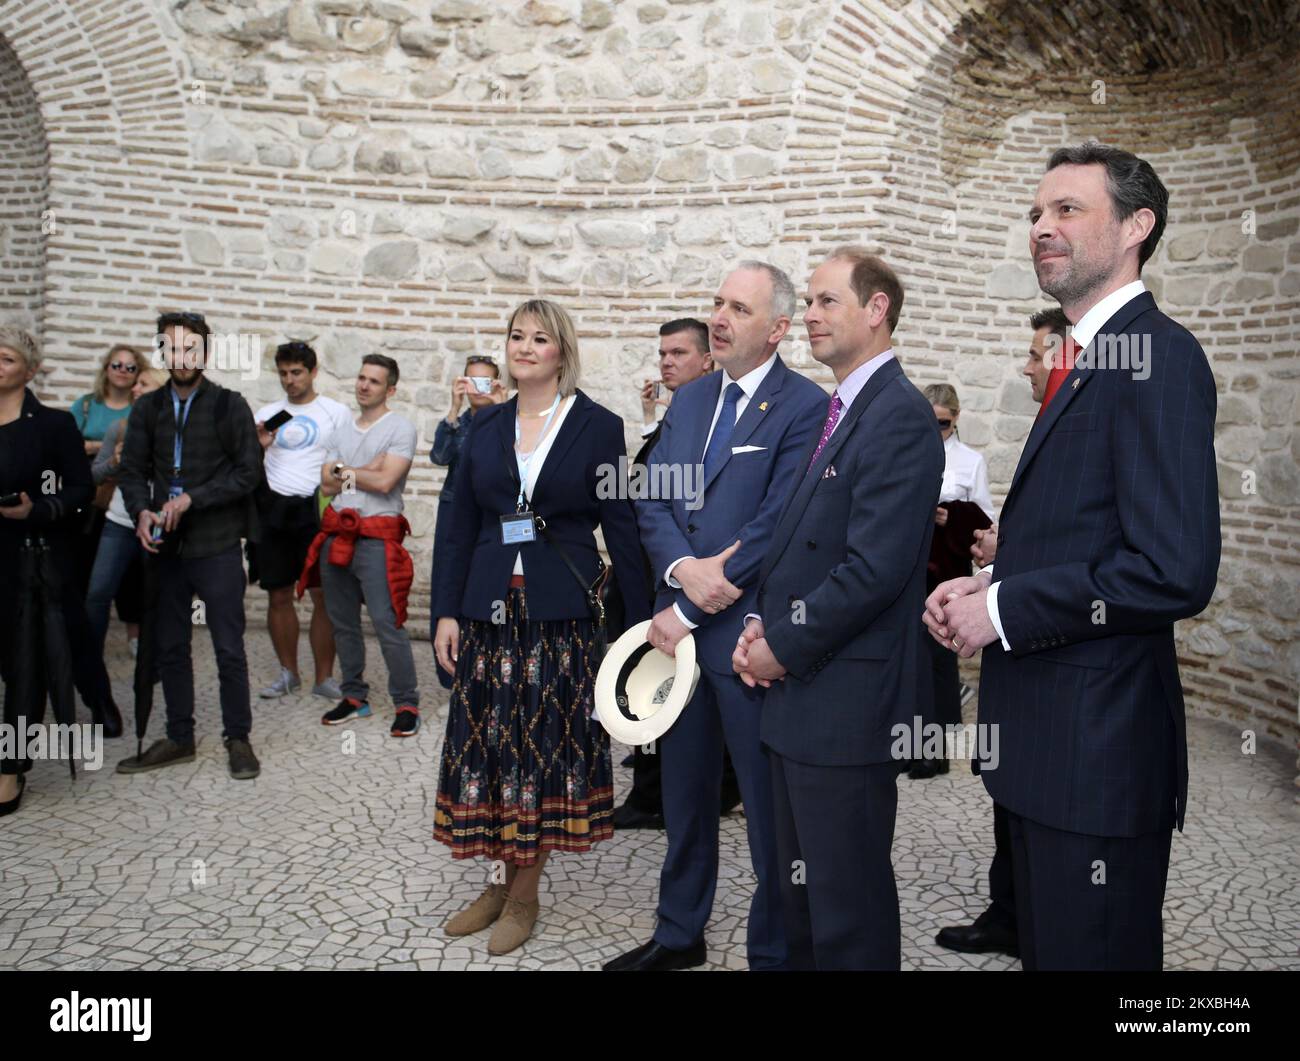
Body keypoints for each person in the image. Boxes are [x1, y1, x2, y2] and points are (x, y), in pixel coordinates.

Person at [924, 144, 1220, 970]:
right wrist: (987, 581)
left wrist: (1004, 609)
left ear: (1136, 226)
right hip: (1045, 747)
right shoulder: (1089, 358)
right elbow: (1089, 533)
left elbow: (1174, 568)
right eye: (1035, 213)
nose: (1041, 228)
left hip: (1096, 757)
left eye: (1067, 210)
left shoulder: (1157, 355)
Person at [605, 264, 828, 972]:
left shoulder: (805, 407)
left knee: (766, 811)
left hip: (748, 641)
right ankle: (679, 932)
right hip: (679, 632)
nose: (719, 317)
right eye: (717, 303)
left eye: (738, 306)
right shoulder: (692, 398)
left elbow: (779, 522)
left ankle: (774, 949)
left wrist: (698, 596)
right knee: (685, 794)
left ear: (779, 327)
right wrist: (680, 577)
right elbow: (654, 500)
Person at [734, 248, 944, 970]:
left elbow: (873, 570)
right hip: (801, 694)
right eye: (811, 304)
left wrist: (778, 646)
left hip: (846, 703)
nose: (812, 318)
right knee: (799, 899)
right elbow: (798, 544)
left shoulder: (900, 416)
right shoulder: (839, 409)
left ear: (877, 308)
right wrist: (762, 621)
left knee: (843, 906)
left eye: (827, 301)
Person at [432, 299, 650, 957]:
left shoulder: (598, 426)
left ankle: (524, 895)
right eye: (516, 336)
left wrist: (642, 631)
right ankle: (496, 883)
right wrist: (445, 609)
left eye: (540, 338)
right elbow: (458, 522)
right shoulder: (485, 426)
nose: (525, 346)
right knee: (493, 755)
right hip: (488, 613)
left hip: (560, 616)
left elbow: (621, 524)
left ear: (562, 351)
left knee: (542, 756)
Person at [935, 308, 1066, 960]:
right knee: (1005, 793)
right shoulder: (1056, 422)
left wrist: (999, 583)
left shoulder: (1086, 427)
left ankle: (1030, 919)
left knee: (1031, 802)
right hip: (1015, 646)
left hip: (1050, 656)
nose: (1027, 364)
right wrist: (996, 554)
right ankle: (1009, 911)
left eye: (1039, 352)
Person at [116, 311, 263, 781]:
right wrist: (141, 508)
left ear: (205, 351)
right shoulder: (147, 409)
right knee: (170, 646)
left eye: (190, 349)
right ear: (163, 351)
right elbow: (132, 470)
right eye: (173, 349)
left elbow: (247, 473)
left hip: (216, 542)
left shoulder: (229, 406)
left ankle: (237, 737)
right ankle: (179, 736)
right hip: (164, 545)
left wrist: (194, 498)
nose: (181, 358)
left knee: (228, 647)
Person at [613, 317, 742, 832]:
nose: (666, 362)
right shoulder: (676, 419)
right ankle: (661, 787)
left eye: (678, 353)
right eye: (662, 353)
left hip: (700, 586)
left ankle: (673, 793)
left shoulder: (723, 423)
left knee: (690, 693)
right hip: (657, 576)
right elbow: (650, 492)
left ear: (708, 360)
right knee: (660, 690)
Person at [0, 325, 113, 814]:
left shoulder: (52, 424)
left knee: (25, 666)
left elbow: (78, 491)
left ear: (30, 369)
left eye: (5, 358)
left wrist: (37, 511)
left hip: (28, 558)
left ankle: (10, 768)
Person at [305, 355, 420, 735]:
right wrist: (366, 469)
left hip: (376, 538)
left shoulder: (400, 427)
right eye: (361, 378)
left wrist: (346, 472)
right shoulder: (340, 429)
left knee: (388, 623)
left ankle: (407, 702)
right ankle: (354, 696)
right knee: (343, 623)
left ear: (390, 389)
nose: (363, 385)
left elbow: (386, 483)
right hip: (338, 534)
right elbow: (325, 483)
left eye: (373, 381)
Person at [253, 340, 351, 700]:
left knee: (322, 595)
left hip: (316, 510)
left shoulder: (334, 412)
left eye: (296, 372)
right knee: (278, 594)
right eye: (282, 373)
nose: (289, 380)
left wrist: (341, 500)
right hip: (273, 510)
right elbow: (246, 466)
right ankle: (287, 673)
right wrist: (258, 445)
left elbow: (345, 461)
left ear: (312, 372)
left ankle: (324, 678)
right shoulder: (267, 413)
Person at [908, 383, 995, 780]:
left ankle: (935, 750)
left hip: (947, 572)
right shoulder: (907, 452)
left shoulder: (970, 461)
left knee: (939, 662)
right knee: (907, 659)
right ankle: (906, 745)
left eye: (942, 423)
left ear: (955, 419)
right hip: (908, 567)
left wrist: (953, 515)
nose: (936, 429)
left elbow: (984, 522)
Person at [429, 354, 506, 691]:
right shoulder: (456, 423)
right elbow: (439, 457)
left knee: (487, 582)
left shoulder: (508, 420)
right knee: (447, 580)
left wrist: (502, 407)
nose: (478, 388)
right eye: (471, 380)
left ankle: (488, 664)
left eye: (485, 381)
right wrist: (452, 407)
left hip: (491, 516)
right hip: (453, 512)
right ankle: (450, 669)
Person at [85, 365, 167, 654]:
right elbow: (93, 476)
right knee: (97, 593)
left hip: (159, 523)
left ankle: (152, 652)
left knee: (156, 595)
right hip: (118, 521)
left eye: (143, 384)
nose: (134, 388)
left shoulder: (178, 433)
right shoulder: (120, 428)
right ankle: (88, 657)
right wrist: (114, 464)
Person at [71, 345, 146, 646]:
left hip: (127, 497)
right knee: (88, 569)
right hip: (93, 497)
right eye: (117, 365)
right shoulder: (88, 405)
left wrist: (93, 446)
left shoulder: (140, 409)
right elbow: (66, 445)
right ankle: (85, 640)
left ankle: (135, 636)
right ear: (106, 368)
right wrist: (101, 450)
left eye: (131, 368)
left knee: (132, 574)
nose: (122, 371)